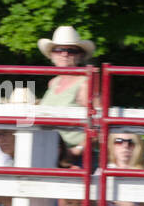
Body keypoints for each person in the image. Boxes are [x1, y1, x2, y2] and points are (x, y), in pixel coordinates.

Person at [37, 26, 98, 165]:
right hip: (47, 152)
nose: (64, 54)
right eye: (58, 49)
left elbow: (98, 126)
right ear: (52, 55)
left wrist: (77, 150)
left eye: (71, 50)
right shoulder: (53, 83)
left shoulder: (86, 83)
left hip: (77, 159)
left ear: (80, 55)